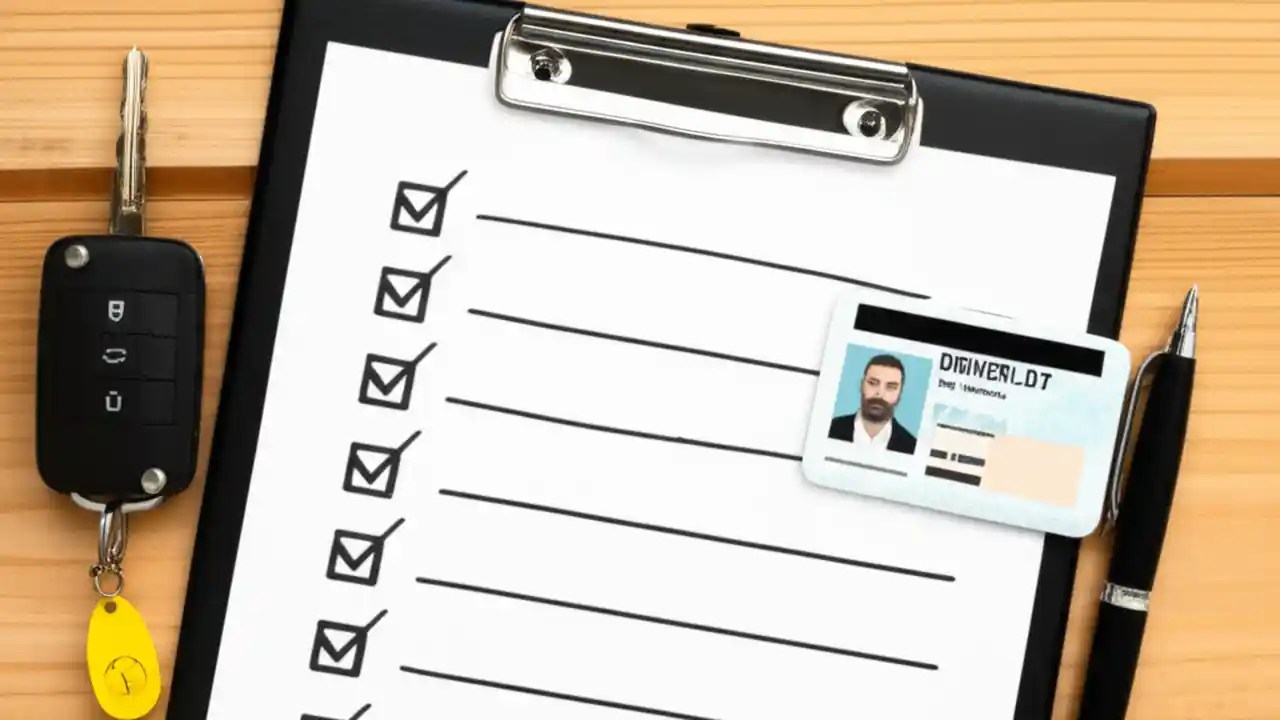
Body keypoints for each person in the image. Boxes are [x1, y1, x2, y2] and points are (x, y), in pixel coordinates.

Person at [828, 354, 918, 454]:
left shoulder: (913, 447)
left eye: (891, 387)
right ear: (862, 385)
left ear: (900, 393)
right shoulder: (829, 429)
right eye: (873, 383)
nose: (879, 394)